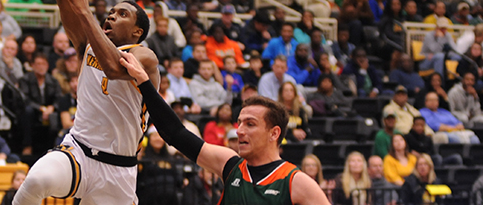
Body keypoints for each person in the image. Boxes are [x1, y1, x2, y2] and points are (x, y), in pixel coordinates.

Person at [11, 0, 167, 205]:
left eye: (122, 14)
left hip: (119, 173)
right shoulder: (87, 45)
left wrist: (85, 13)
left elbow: (112, 67)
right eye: (110, 11)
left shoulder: (145, 56)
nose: (111, 14)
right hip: (78, 153)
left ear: (137, 31)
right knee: (38, 179)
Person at [117, 48, 330, 204]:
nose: (239, 130)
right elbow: (175, 133)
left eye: (250, 124)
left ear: (274, 133)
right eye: (239, 123)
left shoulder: (295, 182)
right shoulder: (230, 165)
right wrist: (144, 82)